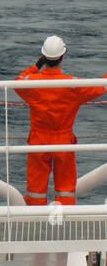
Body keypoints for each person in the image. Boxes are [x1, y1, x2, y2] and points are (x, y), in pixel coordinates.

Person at [15, 35, 106, 206]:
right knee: (65, 189)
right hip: (63, 141)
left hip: (38, 141)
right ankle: (64, 223)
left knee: (35, 191)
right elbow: (101, 86)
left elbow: (18, 82)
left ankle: (36, 223)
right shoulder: (73, 85)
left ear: (44, 57)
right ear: (62, 57)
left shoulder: (31, 82)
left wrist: (35, 67)